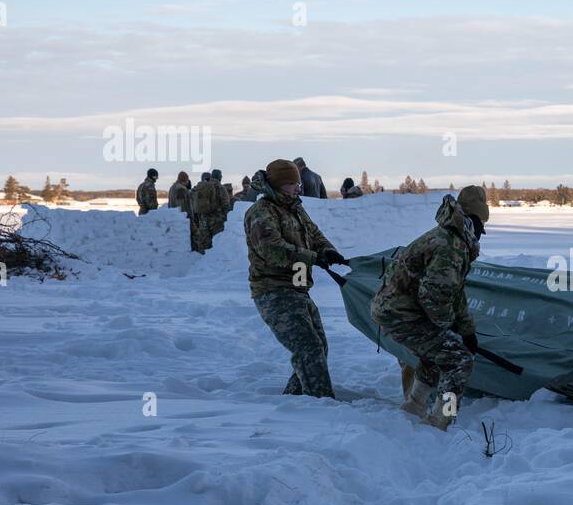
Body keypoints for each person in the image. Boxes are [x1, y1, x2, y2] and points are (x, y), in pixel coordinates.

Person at [370, 186, 489, 430]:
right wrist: (449, 327)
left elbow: (454, 292)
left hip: (397, 309)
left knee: (436, 352)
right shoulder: (450, 245)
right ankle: (441, 418)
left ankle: (414, 406)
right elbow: (433, 295)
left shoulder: (450, 237)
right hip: (401, 313)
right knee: (459, 360)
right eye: (480, 227)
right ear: (472, 221)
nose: (480, 235)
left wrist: (467, 330)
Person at [244, 159, 348, 398]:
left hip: (299, 288)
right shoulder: (261, 212)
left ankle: (295, 401)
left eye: (297, 182)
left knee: (318, 346)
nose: (297, 187)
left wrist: (327, 250)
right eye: (291, 183)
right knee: (307, 347)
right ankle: (320, 403)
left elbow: (313, 233)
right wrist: (311, 258)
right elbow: (271, 250)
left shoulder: (295, 207)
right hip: (274, 290)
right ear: (279, 184)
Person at [190, 171, 226, 252]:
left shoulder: (200, 187)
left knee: (204, 242)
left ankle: (203, 260)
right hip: (217, 220)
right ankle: (215, 260)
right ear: (220, 177)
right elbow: (226, 204)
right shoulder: (220, 187)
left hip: (203, 219)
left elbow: (192, 197)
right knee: (217, 242)